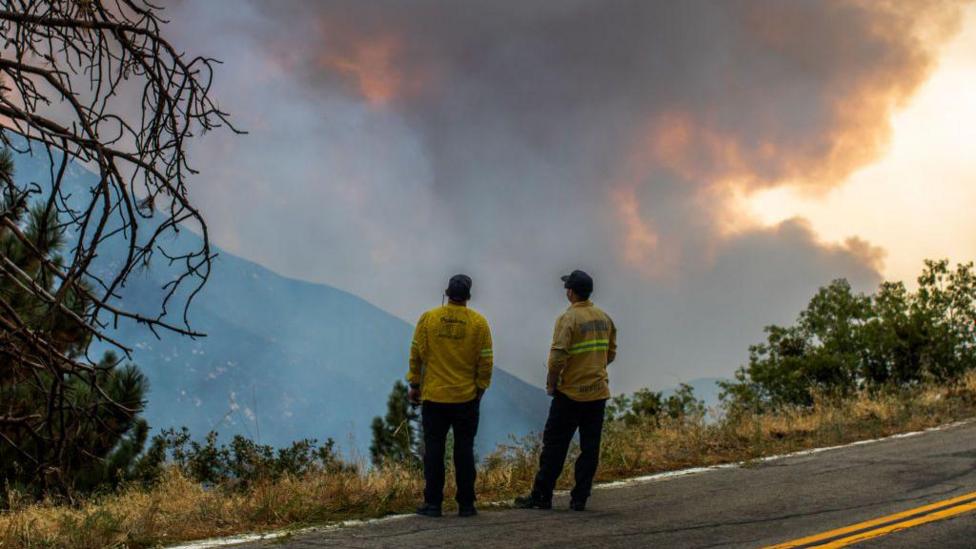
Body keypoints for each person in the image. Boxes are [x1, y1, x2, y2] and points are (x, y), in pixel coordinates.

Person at [514, 269, 616, 511]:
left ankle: (542, 496)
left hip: (569, 394)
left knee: (555, 446)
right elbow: (611, 353)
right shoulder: (604, 318)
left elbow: (557, 357)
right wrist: (594, 367)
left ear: (571, 292)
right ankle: (580, 498)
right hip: (598, 393)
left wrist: (552, 382)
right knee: (590, 448)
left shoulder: (568, 319)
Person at [407, 274, 493, 518]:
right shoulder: (478, 323)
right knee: (464, 450)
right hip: (466, 399)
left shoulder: (429, 319)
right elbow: (486, 361)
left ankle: (433, 504)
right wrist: (480, 389)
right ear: (468, 297)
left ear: (446, 294)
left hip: (434, 398)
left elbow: (416, 355)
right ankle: (466, 504)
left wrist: (414, 384)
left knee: (434, 450)